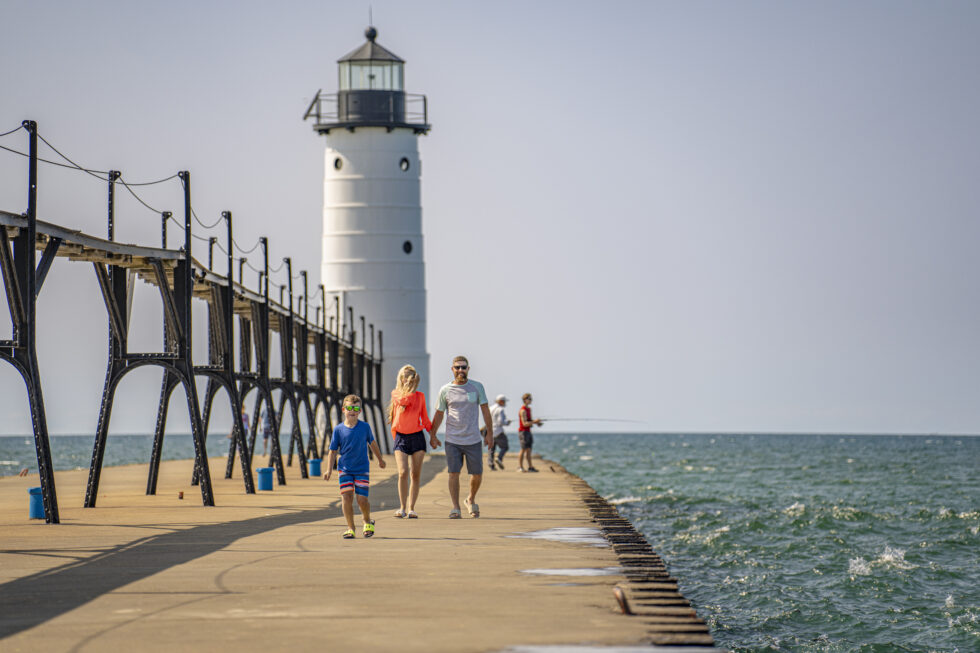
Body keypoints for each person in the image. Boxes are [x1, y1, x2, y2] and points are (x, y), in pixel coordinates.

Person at [429, 355, 493, 518]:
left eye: (463, 367)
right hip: (453, 440)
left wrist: (490, 434)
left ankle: (470, 499)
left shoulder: (477, 387)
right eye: (457, 367)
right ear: (452, 369)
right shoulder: (445, 390)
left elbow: (485, 410)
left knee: (477, 474)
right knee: (453, 473)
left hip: (473, 439)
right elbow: (439, 413)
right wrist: (433, 434)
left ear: (468, 369)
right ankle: (455, 507)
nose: (460, 370)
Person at [323, 394, 386, 538]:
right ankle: (350, 527)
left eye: (355, 408)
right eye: (349, 408)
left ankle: (367, 520)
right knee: (346, 497)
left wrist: (380, 459)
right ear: (343, 409)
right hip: (344, 469)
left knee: (362, 500)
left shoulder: (364, 427)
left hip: (362, 469)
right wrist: (328, 470)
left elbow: (372, 443)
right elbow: (332, 450)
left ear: (360, 411)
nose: (352, 411)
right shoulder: (338, 429)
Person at [388, 364, 432, 518]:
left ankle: (411, 507)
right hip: (401, 437)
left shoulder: (420, 396)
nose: (407, 379)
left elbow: (425, 418)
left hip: (417, 437)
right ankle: (401, 507)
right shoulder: (396, 394)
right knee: (402, 472)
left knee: (415, 474)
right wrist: (409, 388)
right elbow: (404, 402)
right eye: (404, 376)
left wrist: (432, 435)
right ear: (400, 378)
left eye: (410, 376)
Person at [517, 392, 543, 472]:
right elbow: (524, 423)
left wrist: (537, 423)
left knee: (529, 450)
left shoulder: (529, 409)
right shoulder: (523, 411)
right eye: (529, 399)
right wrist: (534, 422)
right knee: (523, 449)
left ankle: (530, 467)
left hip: (528, 432)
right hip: (523, 432)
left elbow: (529, 421)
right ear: (525, 400)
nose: (531, 400)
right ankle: (520, 467)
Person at [487, 395, 511, 470]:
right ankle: (499, 458)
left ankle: (491, 465)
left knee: (491, 449)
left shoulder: (490, 408)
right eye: (504, 401)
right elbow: (501, 422)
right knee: (505, 447)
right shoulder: (500, 409)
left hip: (490, 431)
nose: (505, 403)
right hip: (498, 431)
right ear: (501, 401)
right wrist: (507, 422)